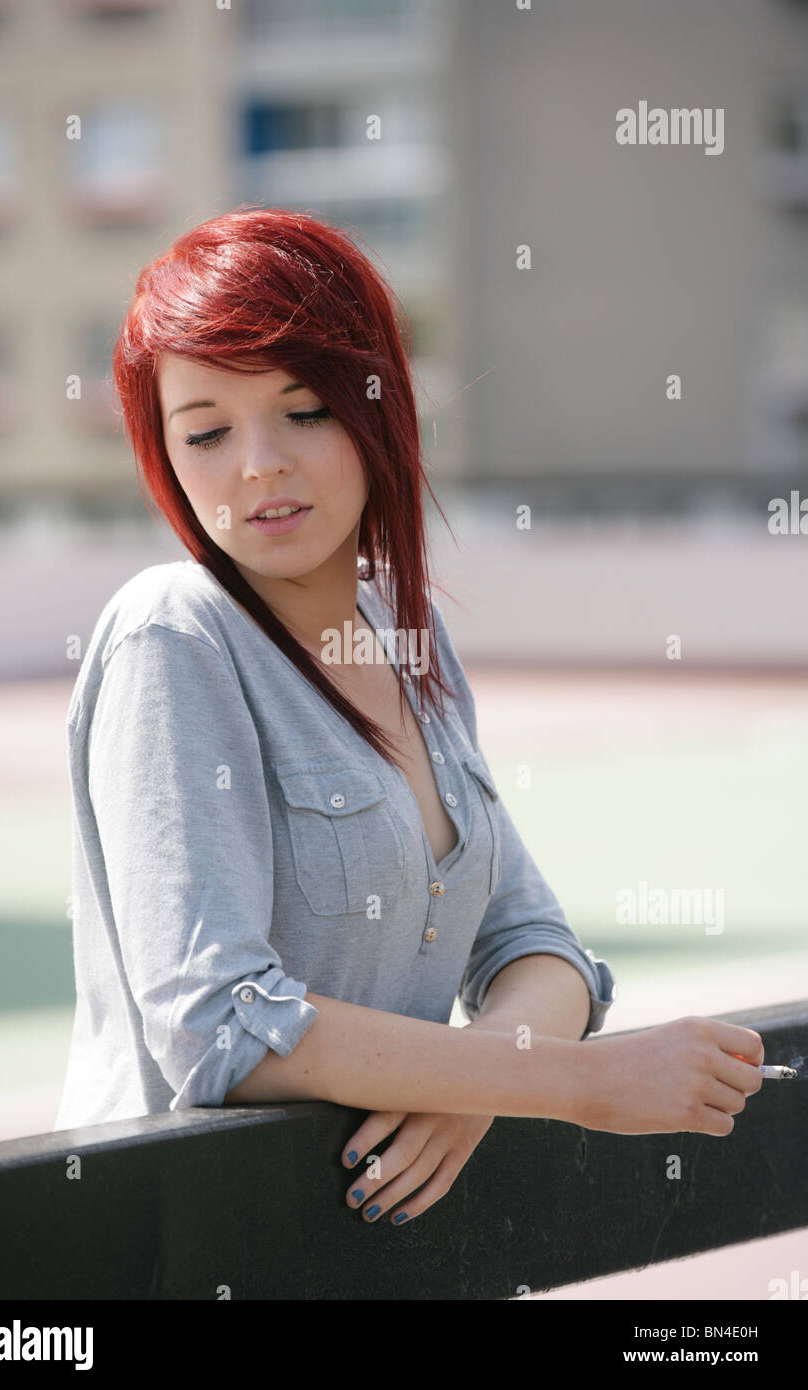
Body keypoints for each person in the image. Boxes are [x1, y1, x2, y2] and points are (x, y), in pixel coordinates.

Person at [54, 205, 765, 1228]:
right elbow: (216, 1020)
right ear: (165, 455)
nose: (258, 464)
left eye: (304, 410)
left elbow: (533, 943)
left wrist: (476, 1084)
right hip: (181, 1247)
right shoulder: (173, 636)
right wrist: (565, 1084)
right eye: (205, 430)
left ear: (373, 408)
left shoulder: (401, 628)